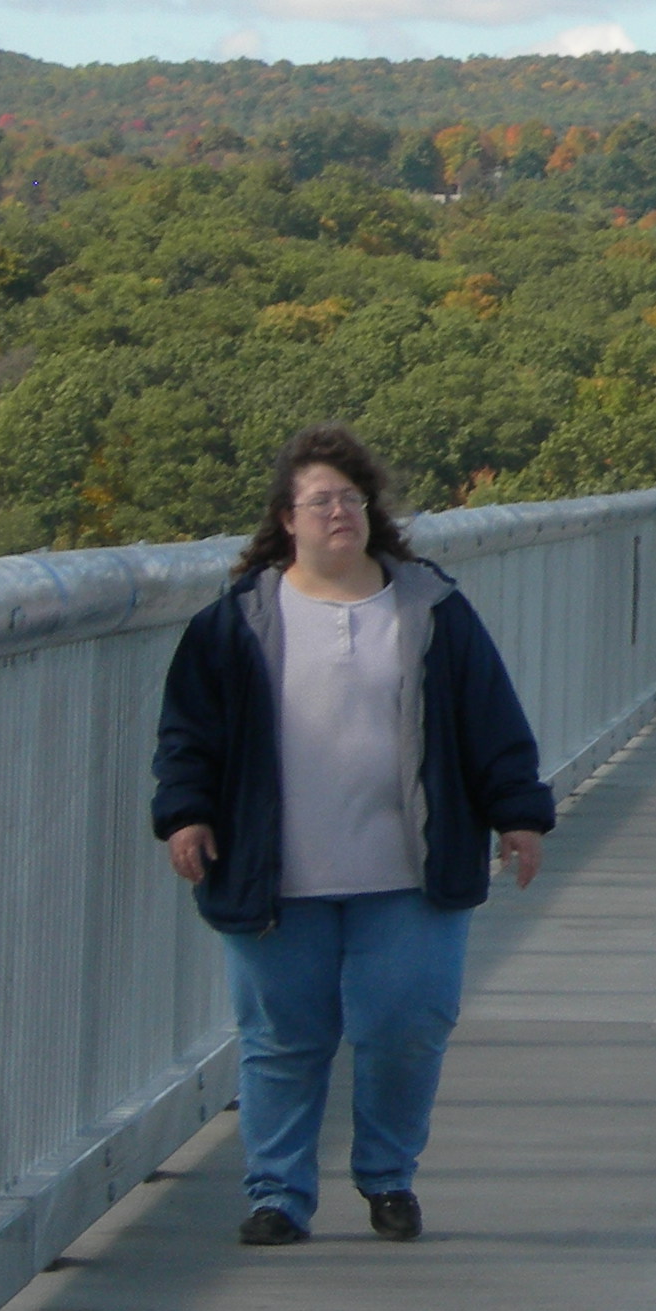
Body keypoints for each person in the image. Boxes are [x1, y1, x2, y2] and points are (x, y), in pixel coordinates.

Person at [152, 422, 553, 1248]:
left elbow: (490, 720)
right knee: (282, 1040)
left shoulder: (430, 609)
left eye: (351, 498)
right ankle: (277, 1196)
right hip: (276, 873)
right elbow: (189, 734)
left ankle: (387, 1178)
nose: (339, 512)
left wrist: (518, 814)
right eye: (319, 501)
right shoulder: (234, 625)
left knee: (407, 1028)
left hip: (407, 870)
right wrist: (186, 813)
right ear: (286, 520)